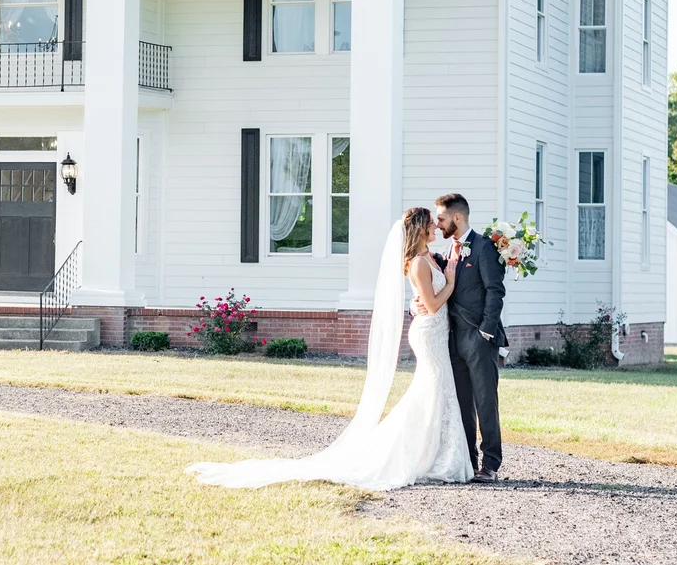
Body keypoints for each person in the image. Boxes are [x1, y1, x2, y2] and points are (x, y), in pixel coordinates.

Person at [186, 207, 473, 491]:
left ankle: (435, 455)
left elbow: (427, 300)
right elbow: (433, 304)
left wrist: (439, 284)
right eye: (432, 225)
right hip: (428, 335)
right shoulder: (419, 264)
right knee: (432, 390)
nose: (436, 227)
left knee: (436, 391)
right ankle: (420, 456)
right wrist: (450, 282)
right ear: (421, 228)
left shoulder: (429, 258)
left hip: (437, 334)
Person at [424, 192, 507, 481]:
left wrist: (487, 329)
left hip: (479, 337)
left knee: (485, 402)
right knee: (462, 403)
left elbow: (496, 291)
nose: (438, 224)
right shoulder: (448, 252)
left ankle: (491, 464)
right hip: (451, 339)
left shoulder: (484, 247)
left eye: (442, 219)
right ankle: (469, 462)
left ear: (457, 217)